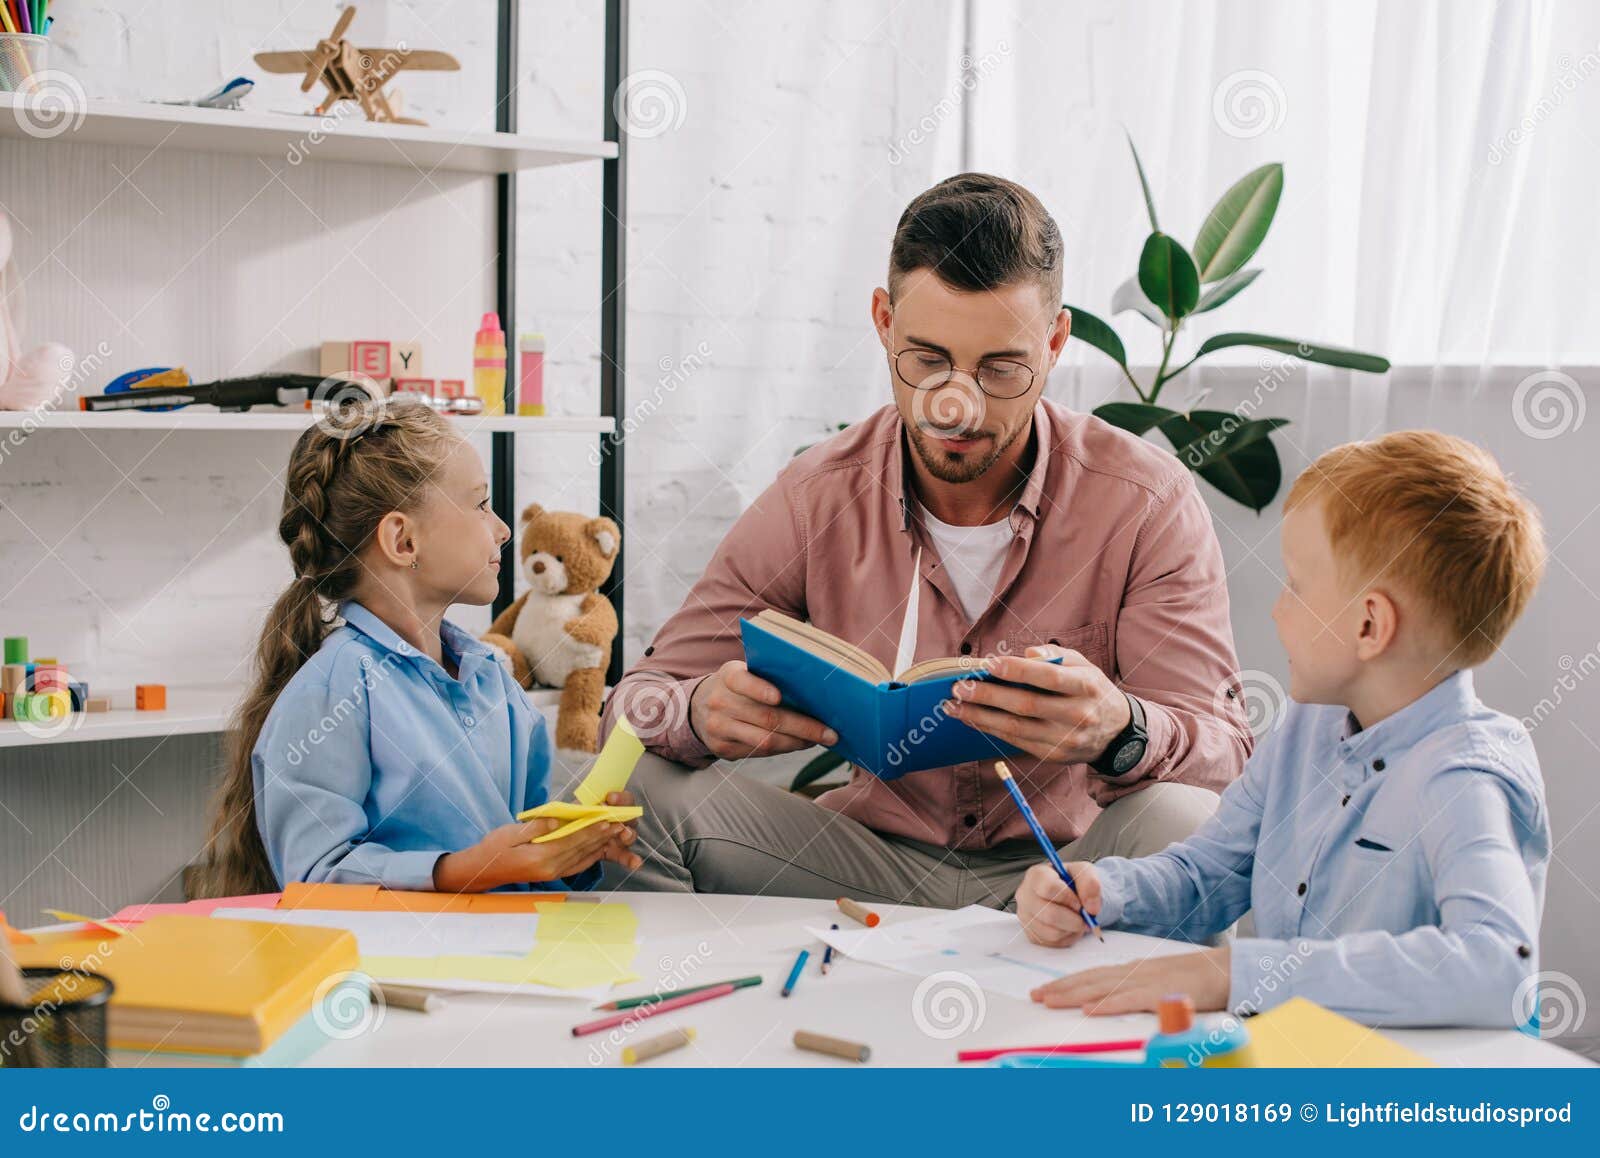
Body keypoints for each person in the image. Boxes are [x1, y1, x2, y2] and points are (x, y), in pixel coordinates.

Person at [602, 174, 1252, 908]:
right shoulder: (817, 495)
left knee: (1183, 819)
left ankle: (1131, 1018)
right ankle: (669, 1012)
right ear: (883, 321)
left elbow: (1224, 755)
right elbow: (631, 707)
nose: (957, 404)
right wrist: (695, 713)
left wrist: (1121, 727)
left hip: (1066, 872)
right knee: (631, 786)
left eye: (1002, 368)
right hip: (861, 865)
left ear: (1056, 341)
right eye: (927, 359)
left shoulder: (1144, 501)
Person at [1017, 431, 1549, 1027]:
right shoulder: (1309, 727)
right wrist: (1101, 891)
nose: (1276, 608)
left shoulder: (1463, 775)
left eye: (1296, 585)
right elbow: (1209, 872)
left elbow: (1498, 966)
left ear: (1370, 624)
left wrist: (1234, 975)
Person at [202, 401, 641, 896]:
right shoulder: (330, 693)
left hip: (510, 958)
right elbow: (316, 883)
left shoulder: (492, 678)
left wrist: (573, 848)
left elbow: (524, 852)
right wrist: (464, 869)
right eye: (480, 504)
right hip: (401, 969)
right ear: (403, 541)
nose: (502, 529)